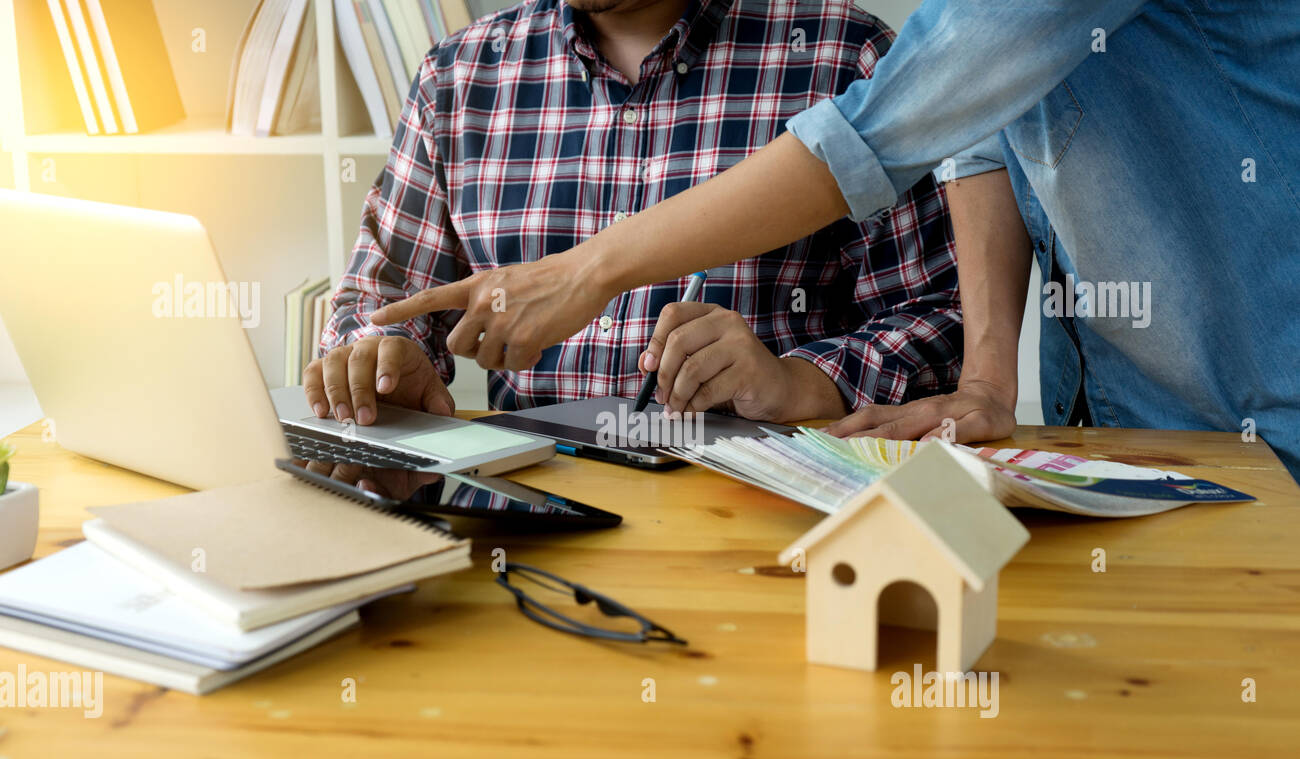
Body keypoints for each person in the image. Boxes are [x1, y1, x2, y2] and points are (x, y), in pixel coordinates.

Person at [373, 0, 1300, 478]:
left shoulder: (830, 44)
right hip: (1116, 416)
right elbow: (970, 125)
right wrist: (986, 378)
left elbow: (886, 128)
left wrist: (591, 271)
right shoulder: (463, 71)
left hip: (1263, 409)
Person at [305, 0, 965, 429]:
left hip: (763, 512)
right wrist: (380, 363)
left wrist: (800, 381)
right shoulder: (458, 79)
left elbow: (944, 318)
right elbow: (379, 292)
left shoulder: (844, 55)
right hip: (537, 512)